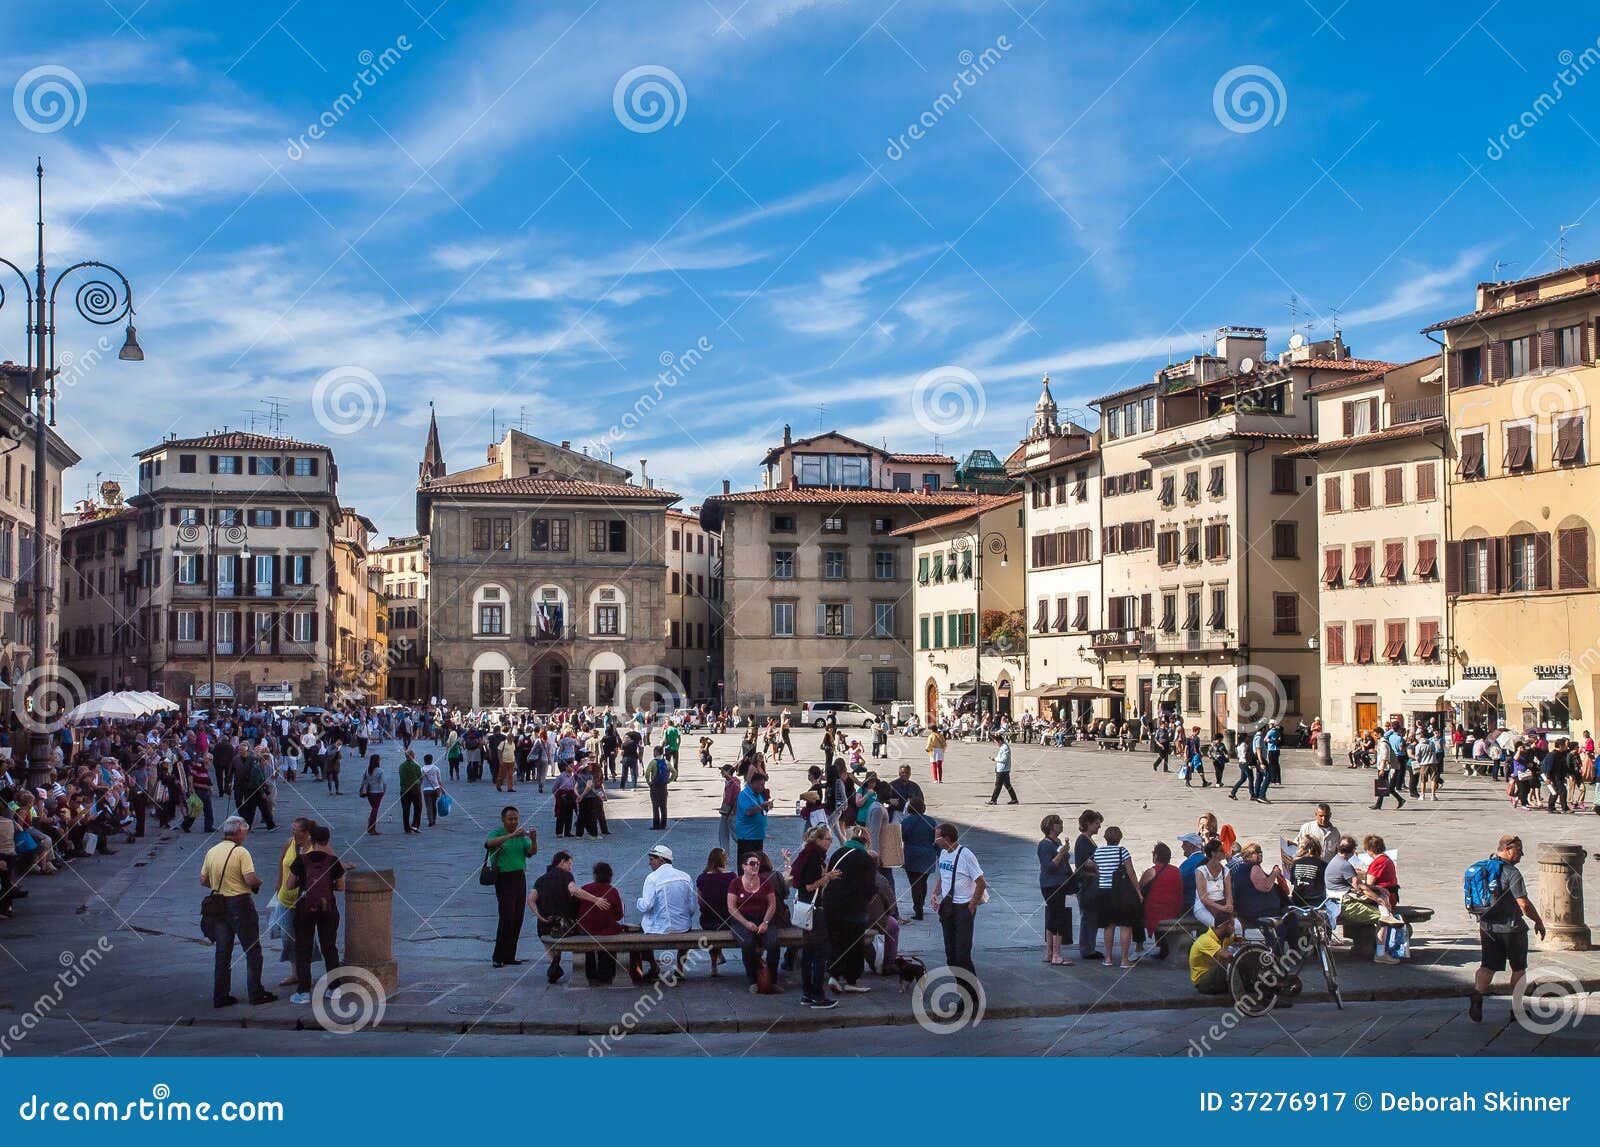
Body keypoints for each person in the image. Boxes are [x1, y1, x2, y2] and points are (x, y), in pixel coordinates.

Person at [200, 816, 276, 1007]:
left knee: (223, 951)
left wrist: (220, 884)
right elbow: (250, 879)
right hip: (240, 903)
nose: (246, 835)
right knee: (252, 949)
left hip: (217, 904)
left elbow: (203, 880)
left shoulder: (212, 851)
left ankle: (220, 995)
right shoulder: (241, 852)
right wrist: (259, 883)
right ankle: (255, 992)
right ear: (239, 832)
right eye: (245, 831)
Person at [1469, 835, 1546, 1022]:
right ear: (1508, 849)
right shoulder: (1512, 872)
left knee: (1487, 966)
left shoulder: (1483, 867)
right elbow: (1524, 904)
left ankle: (1477, 995)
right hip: (1512, 929)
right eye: (1519, 850)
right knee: (1518, 968)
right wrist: (1538, 921)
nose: (1521, 854)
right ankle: (1517, 1010)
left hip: (1487, 926)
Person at [286, 823, 345, 1005]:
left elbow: (289, 885)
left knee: (303, 947)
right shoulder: (333, 860)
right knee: (329, 947)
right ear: (327, 840)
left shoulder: (302, 860)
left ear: (311, 839)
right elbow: (341, 886)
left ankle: (304, 991)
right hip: (328, 908)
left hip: (304, 907)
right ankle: (335, 988)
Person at [530, 851, 608, 984]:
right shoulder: (566, 876)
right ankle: (557, 962)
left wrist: (540, 916)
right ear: (562, 862)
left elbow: (530, 900)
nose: (570, 867)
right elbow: (574, 890)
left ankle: (554, 961)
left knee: (547, 937)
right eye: (569, 864)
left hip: (545, 926)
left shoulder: (540, 880)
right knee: (569, 927)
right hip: (565, 925)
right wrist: (595, 899)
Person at [930, 822, 986, 992]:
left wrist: (971, 905)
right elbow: (942, 875)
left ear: (946, 838)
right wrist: (935, 892)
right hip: (947, 908)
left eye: (937, 837)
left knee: (962, 955)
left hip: (963, 908)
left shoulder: (966, 855)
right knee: (951, 955)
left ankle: (971, 992)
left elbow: (981, 883)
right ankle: (962, 987)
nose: (935, 841)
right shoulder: (944, 854)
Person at [790, 826, 840, 1009]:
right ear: (818, 840)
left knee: (808, 953)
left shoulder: (808, 855)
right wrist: (827, 877)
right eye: (828, 839)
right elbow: (809, 886)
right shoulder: (813, 858)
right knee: (820, 953)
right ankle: (818, 995)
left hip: (805, 908)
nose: (830, 842)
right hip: (814, 910)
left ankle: (807, 993)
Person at [826, 825, 878, 994]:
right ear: (866, 843)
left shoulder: (837, 853)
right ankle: (851, 980)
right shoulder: (865, 859)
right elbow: (870, 887)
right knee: (854, 945)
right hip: (854, 907)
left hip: (832, 905)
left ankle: (834, 976)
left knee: (837, 941)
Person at [635, 843, 697, 983]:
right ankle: (680, 968)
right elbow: (692, 907)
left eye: (651, 859)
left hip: (659, 928)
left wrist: (638, 901)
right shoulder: (685, 876)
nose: (649, 863)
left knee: (640, 930)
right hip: (682, 926)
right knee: (687, 928)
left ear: (660, 860)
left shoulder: (652, 878)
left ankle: (653, 966)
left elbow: (647, 906)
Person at [485, 806, 536, 968]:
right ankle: (498, 956)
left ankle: (510, 955)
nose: (514, 822)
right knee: (506, 917)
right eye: (510, 819)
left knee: (517, 918)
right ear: (503, 820)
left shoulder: (521, 837)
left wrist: (534, 839)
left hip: (519, 876)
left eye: (516, 819)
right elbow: (488, 843)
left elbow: (531, 852)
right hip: (504, 878)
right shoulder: (498, 833)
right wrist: (511, 835)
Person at [726, 851, 782, 992]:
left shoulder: (765, 882)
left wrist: (766, 922)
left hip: (764, 918)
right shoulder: (736, 882)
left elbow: (772, 904)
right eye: (751, 863)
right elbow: (731, 907)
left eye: (757, 863)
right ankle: (753, 980)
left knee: (773, 943)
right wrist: (745, 923)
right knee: (747, 943)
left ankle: (772, 980)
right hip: (741, 920)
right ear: (744, 866)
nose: (755, 866)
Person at [1093, 826, 1141, 968]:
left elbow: (1097, 870)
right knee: (1126, 925)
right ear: (1119, 838)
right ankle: (1124, 959)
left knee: (1109, 925)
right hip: (1120, 892)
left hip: (1103, 891)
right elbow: (1131, 872)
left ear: (1106, 838)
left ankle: (1108, 958)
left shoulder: (1098, 852)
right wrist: (1138, 891)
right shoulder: (1122, 851)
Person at [577, 862, 625, 986]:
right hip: (605, 930)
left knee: (588, 936)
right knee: (611, 932)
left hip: (586, 930)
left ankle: (590, 972)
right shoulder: (613, 891)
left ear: (595, 875)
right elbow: (619, 914)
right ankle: (606, 972)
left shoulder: (585, 889)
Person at [1038, 814, 1075, 966]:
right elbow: (1050, 867)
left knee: (1053, 916)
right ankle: (1056, 955)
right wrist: (1061, 853)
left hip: (1059, 883)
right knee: (1058, 916)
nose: (1061, 825)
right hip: (1051, 884)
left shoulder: (1057, 841)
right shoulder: (1044, 845)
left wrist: (1064, 851)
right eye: (1059, 823)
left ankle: (1050, 953)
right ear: (1051, 826)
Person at [1140, 842, 1184, 958]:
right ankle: (1163, 947)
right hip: (1174, 910)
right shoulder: (1176, 870)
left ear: (1156, 856)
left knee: (1135, 915)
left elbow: (1139, 889)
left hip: (1157, 912)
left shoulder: (1151, 871)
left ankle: (1139, 946)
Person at [697, 848, 735, 977]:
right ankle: (718, 956)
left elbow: (700, 902)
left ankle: (714, 963)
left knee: (712, 927)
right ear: (724, 860)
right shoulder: (732, 877)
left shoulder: (702, 878)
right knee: (720, 923)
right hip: (728, 921)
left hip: (707, 921)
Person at [1073, 809, 1105, 960]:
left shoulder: (1088, 840)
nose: (1099, 826)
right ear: (1088, 824)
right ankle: (1087, 949)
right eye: (1097, 823)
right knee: (1088, 916)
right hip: (1087, 883)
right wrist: (1099, 867)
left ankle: (1089, 946)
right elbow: (1085, 862)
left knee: (1091, 916)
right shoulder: (1082, 840)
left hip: (1091, 883)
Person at [901, 797, 938, 921]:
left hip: (912, 855)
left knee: (914, 883)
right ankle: (920, 905)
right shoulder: (931, 821)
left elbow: (903, 837)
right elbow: (936, 838)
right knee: (923, 881)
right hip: (928, 854)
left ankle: (918, 910)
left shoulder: (906, 821)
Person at [1189, 914, 1238, 995]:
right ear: (1223, 926)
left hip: (1217, 978)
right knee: (1227, 961)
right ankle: (1239, 996)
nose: (1234, 928)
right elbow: (1227, 956)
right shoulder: (1206, 940)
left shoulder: (1225, 937)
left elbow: (1240, 942)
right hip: (1203, 982)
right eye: (1232, 925)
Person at [1192, 838, 1233, 928]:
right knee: (1219, 926)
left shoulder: (1225, 870)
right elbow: (1203, 898)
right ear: (1213, 853)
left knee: (1237, 926)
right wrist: (1221, 908)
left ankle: (1232, 942)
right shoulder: (1201, 871)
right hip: (1203, 906)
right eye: (1221, 851)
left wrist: (1229, 904)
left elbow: (1228, 892)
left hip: (1222, 904)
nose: (1224, 852)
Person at [734, 771, 771, 863]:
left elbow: (760, 809)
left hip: (757, 835)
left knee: (757, 862)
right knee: (747, 862)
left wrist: (767, 807)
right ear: (752, 783)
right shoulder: (744, 794)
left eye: (763, 784)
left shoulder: (758, 794)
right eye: (760, 784)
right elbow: (748, 811)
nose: (762, 787)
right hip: (748, 836)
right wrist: (762, 806)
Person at [646, 745, 675, 831]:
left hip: (655, 786)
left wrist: (649, 782)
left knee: (655, 806)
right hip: (663, 786)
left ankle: (656, 824)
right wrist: (669, 780)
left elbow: (647, 773)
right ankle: (663, 824)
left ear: (656, 752)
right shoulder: (666, 762)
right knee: (663, 806)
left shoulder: (653, 762)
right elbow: (674, 772)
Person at [358, 755, 386, 835]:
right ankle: (371, 828)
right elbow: (384, 782)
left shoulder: (367, 769)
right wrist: (384, 791)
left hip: (369, 792)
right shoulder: (380, 770)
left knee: (374, 809)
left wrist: (362, 789)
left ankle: (371, 825)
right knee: (375, 810)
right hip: (378, 792)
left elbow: (363, 780)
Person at [398, 750, 423, 835]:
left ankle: (407, 828)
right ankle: (415, 825)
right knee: (418, 807)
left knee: (405, 810)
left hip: (404, 790)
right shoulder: (416, 766)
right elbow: (420, 778)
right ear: (413, 755)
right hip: (415, 790)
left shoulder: (401, 766)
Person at [988, 734, 1018, 804]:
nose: (995, 743)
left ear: (1000, 741)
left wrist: (995, 759)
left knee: (998, 785)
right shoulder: (1003, 746)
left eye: (996, 741)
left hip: (1002, 769)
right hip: (1003, 769)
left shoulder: (1004, 747)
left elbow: (1004, 759)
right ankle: (1014, 799)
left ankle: (993, 800)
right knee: (1007, 785)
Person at [420, 753, 445, 826]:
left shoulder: (422, 769)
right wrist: (442, 789)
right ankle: (434, 819)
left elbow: (420, 780)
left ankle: (430, 820)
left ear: (424, 761)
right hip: (436, 789)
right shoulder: (436, 768)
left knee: (428, 806)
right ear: (432, 760)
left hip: (426, 789)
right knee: (434, 804)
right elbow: (439, 780)